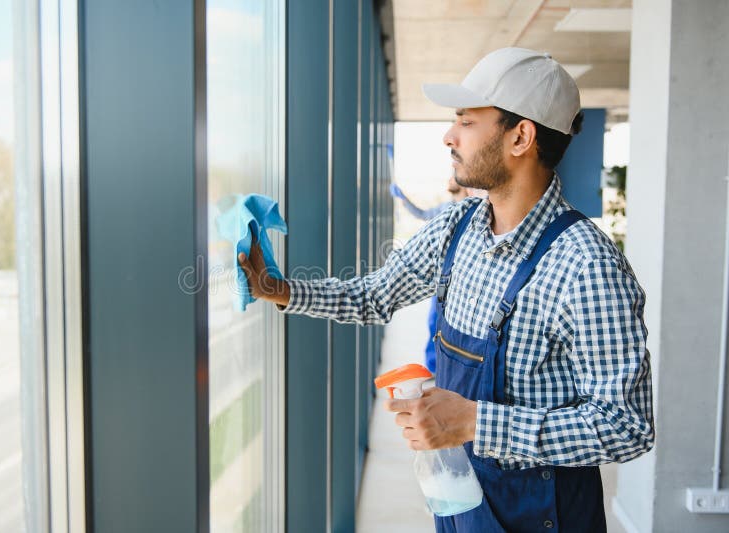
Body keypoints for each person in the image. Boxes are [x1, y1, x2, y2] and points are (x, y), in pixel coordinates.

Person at [238, 47, 654, 532]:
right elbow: (374, 295)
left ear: (521, 136)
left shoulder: (588, 267)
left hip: (546, 517)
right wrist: (276, 288)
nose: (448, 136)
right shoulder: (456, 229)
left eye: (465, 121)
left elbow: (628, 427)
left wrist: (478, 422)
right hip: (462, 502)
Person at [390, 177, 486, 374]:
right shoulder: (446, 211)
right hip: (443, 280)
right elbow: (422, 214)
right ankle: (434, 369)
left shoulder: (478, 214)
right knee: (434, 323)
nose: (449, 180)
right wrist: (404, 199)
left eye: (453, 176)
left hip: (465, 282)